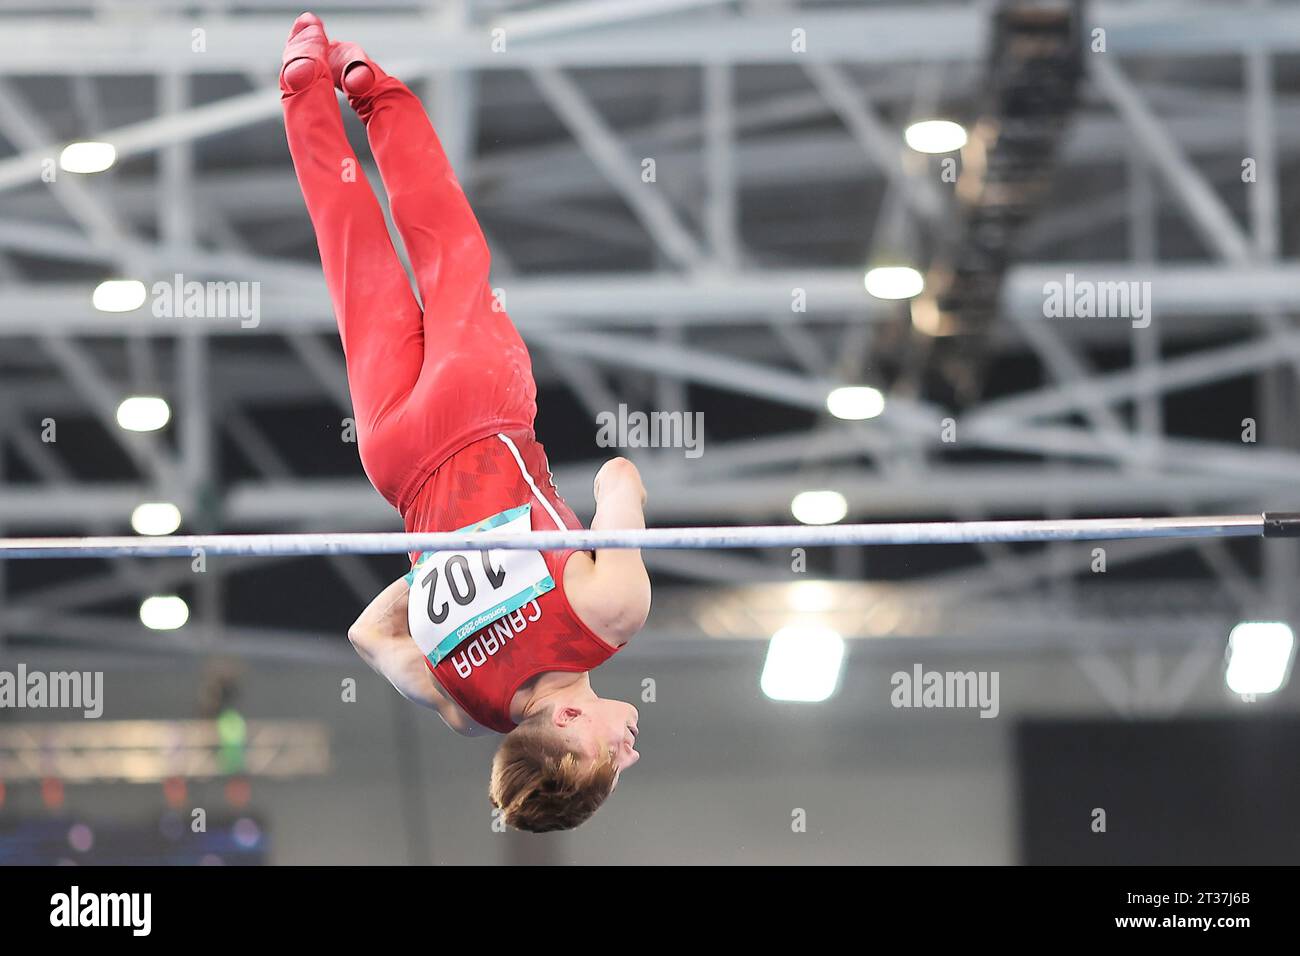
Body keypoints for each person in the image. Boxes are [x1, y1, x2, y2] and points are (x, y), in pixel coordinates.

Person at [279, 13, 652, 832]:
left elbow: (619, 476)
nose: (632, 751)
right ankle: (305, 89)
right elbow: (369, 634)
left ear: (566, 726)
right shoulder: (460, 707)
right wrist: (449, 561)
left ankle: (370, 89)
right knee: (356, 264)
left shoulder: (610, 615)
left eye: (610, 762)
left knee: (442, 237)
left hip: (478, 410)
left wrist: (533, 541)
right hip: (396, 463)